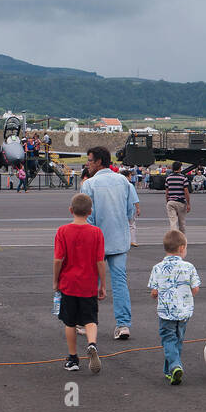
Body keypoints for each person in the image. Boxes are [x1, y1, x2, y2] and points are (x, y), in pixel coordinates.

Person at [80, 145, 139, 340]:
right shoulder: (123, 181)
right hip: (120, 241)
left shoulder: (89, 185)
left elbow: (88, 217)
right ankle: (123, 325)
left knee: (92, 283)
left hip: (96, 242)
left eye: (89, 160)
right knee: (120, 282)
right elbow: (131, 211)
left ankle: (87, 322)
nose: (87, 164)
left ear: (98, 162)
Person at [53, 193, 107, 374]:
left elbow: (58, 259)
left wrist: (56, 280)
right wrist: (103, 284)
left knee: (70, 322)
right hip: (88, 284)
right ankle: (92, 344)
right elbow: (100, 261)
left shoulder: (62, 231)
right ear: (90, 212)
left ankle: (73, 358)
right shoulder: (96, 232)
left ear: (71, 210)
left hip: (69, 283)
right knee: (90, 319)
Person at [149, 229, 201, 385]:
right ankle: (169, 370)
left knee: (168, 339)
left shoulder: (157, 268)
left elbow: (154, 291)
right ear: (182, 248)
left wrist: (156, 294)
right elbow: (195, 289)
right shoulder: (189, 267)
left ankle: (175, 365)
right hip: (184, 311)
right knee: (177, 339)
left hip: (166, 311)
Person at [164, 161, 191, 232]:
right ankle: (182, 240)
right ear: (180, 168)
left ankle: (173, 238)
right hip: (181, 202)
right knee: (181, 223)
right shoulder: (183, 178)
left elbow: (167, 192)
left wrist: (167, 201)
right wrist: (188, 203)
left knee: (173, 222)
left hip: (171, 202)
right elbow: (186, 192)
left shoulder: (168, 178)